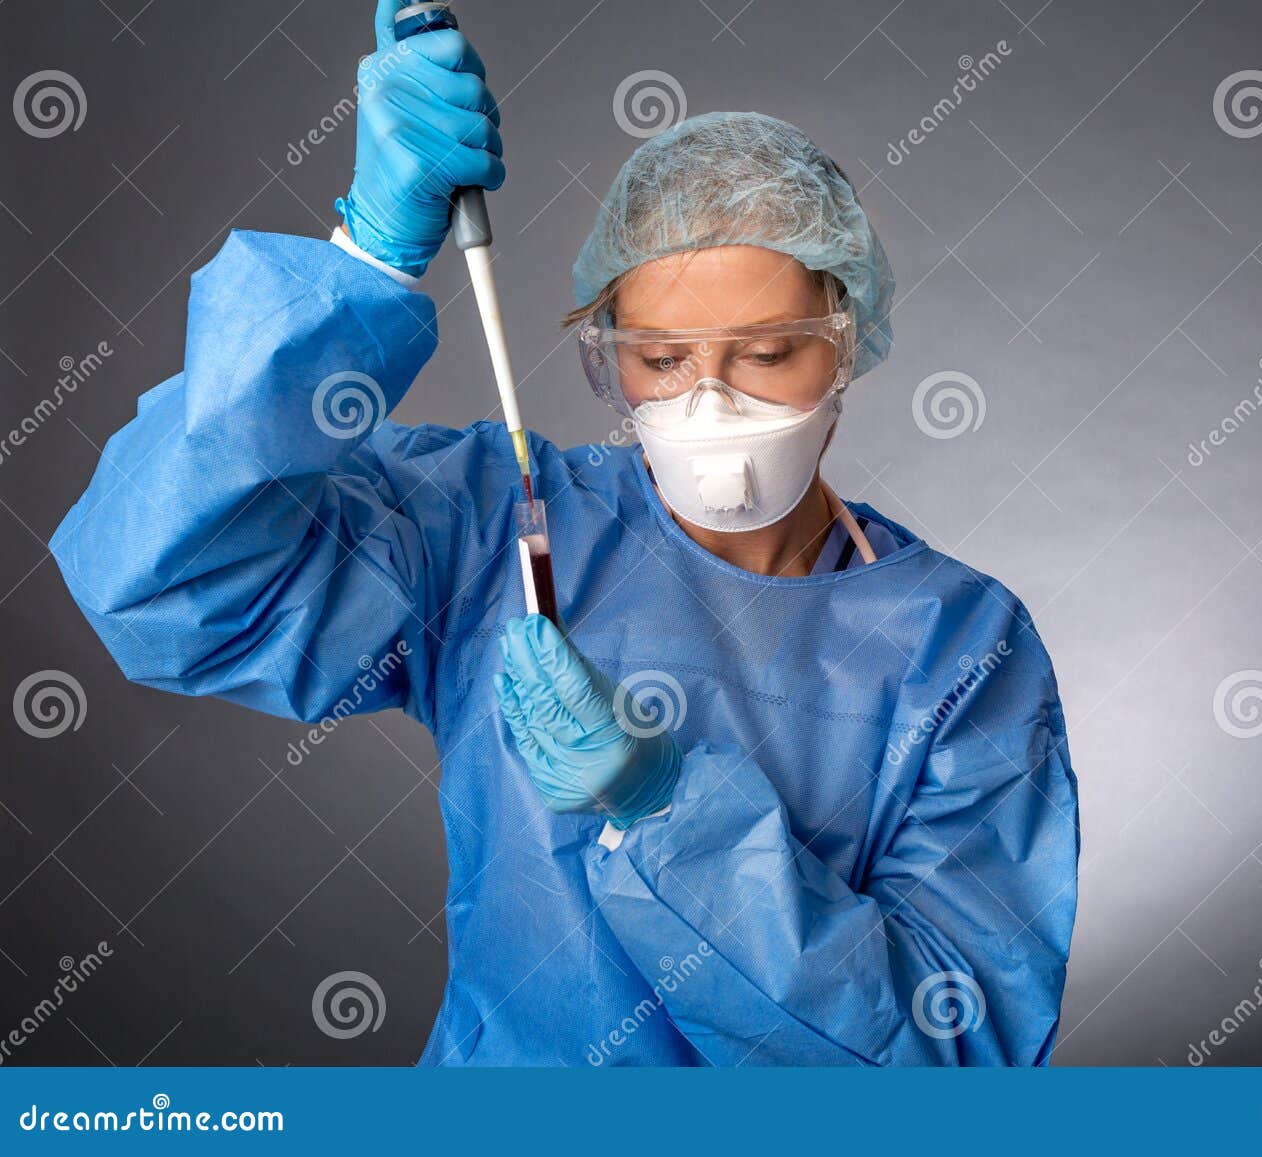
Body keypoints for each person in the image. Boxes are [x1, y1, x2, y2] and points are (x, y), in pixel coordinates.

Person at [49, 0, 1080, 1066]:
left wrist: (666, 806)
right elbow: (163, 577)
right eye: (661, 358)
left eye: (768, 352)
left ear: (848, 344)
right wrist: (367, 258)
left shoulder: (957, 646)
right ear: (607, 357)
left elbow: (957, 1055)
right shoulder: (505, 523)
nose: (709, 403)